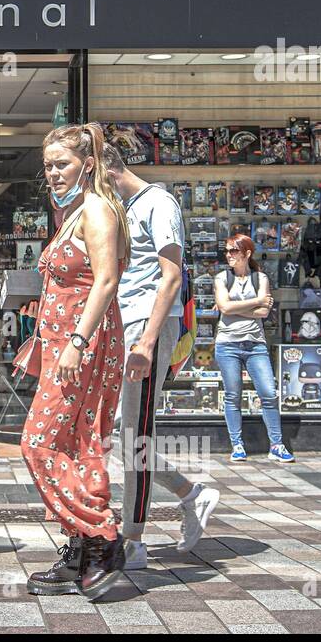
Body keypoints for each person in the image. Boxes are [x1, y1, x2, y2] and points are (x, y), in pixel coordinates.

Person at [22, 123, 129, 600]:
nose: (52, 173)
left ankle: (103, 537)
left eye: (60, 163)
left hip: (84, 344)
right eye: (47, 165)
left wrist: (77, 341)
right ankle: (82, 549)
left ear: (87, 163)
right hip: (64, 341)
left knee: (39, 442)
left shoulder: (98, 209)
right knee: (76, 442)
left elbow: (105, 282)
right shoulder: (72, 212)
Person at [102, 145, 221, 566]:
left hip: (147, 326)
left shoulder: (158, 202)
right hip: (123, 327)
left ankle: (133, 540)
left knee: (132, 435)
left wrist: (148, 343)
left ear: (107, 170)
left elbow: (171, 277)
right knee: (117, 434)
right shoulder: (122, 208)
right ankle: (191, 492)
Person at [215, 233, 295, 464]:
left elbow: (263, 312)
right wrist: (254, 303)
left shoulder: (261, 278)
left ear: (246, 253)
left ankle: (277, 445)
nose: (228, 255)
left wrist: (234, 307)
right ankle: (237, 445)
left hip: (255, 344)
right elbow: (224, 307)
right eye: (227, 250)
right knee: (233, 395)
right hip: (227, 343)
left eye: (233, 251)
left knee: (269, 393)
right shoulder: (222, 278)